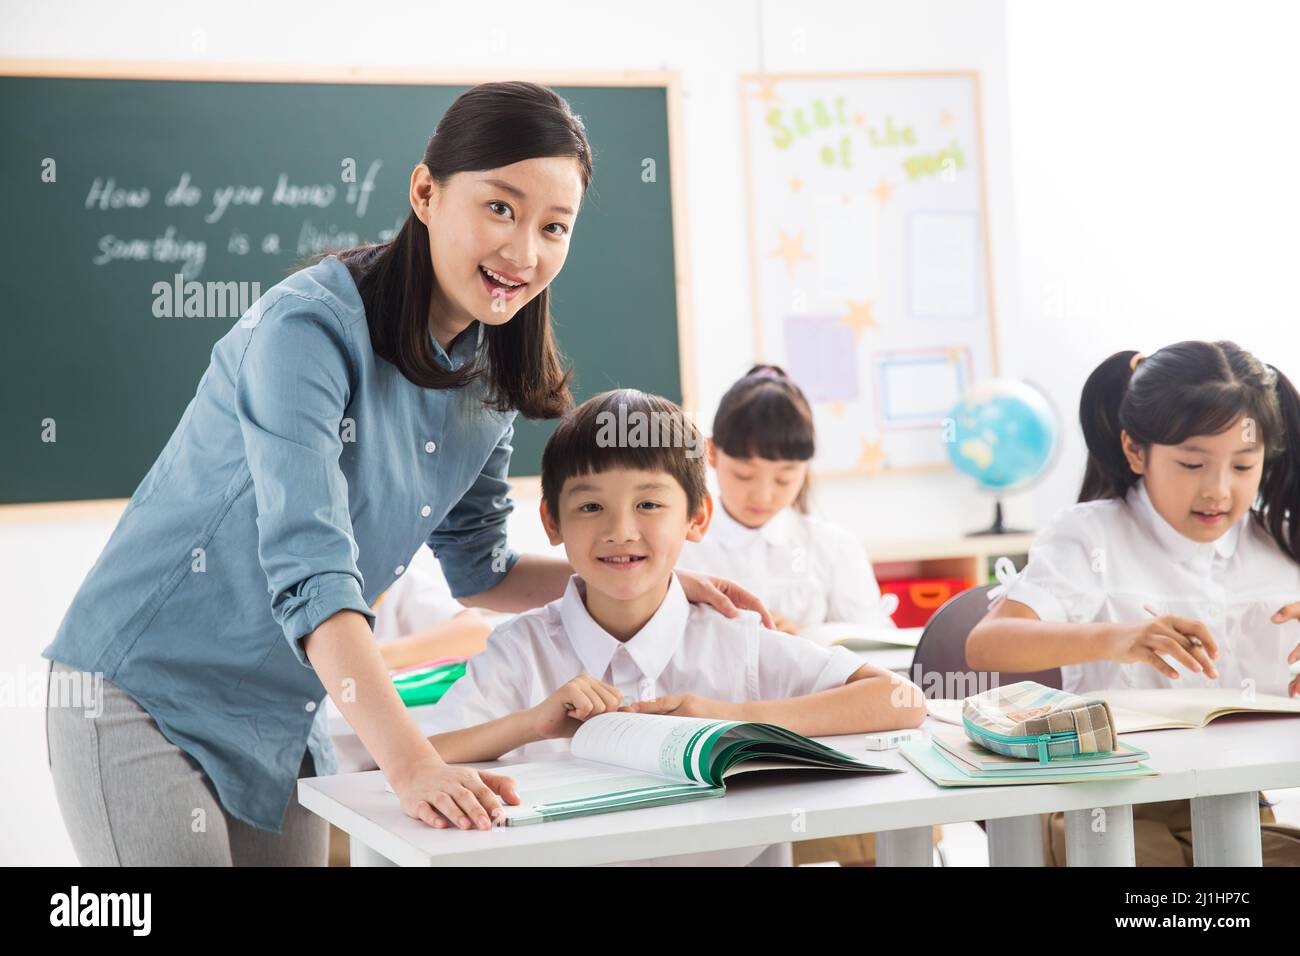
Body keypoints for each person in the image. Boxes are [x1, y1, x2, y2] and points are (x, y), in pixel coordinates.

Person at [43, 82, 770, 866]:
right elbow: (314, 574)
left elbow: (480, 570)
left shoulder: (488, 379)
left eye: (553, 226)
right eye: (500, 208)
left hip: (282, 716)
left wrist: (635, 579)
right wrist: (414, 763)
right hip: (142, 692)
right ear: (425, 191)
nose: (524, 252)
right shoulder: (305, 331)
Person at [421, 389, 926, 865]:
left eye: (649, 504)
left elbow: (899, 700)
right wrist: (531, 723)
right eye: (590, 506)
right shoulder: (521, 651)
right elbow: (412, 762)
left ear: (697, 517)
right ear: (552, 521)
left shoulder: (733, 638)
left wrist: (731, 723)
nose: (621, 531)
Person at [967, 341, 1300, 865]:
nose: (1218, 490)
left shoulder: (1281, 544)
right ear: (1135, 451)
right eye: (1192, 463)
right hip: (1108, 810)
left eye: (1242, 466)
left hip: (1240, 808)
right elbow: (988, 645)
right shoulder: (1092, 536)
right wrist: (1116, 638)